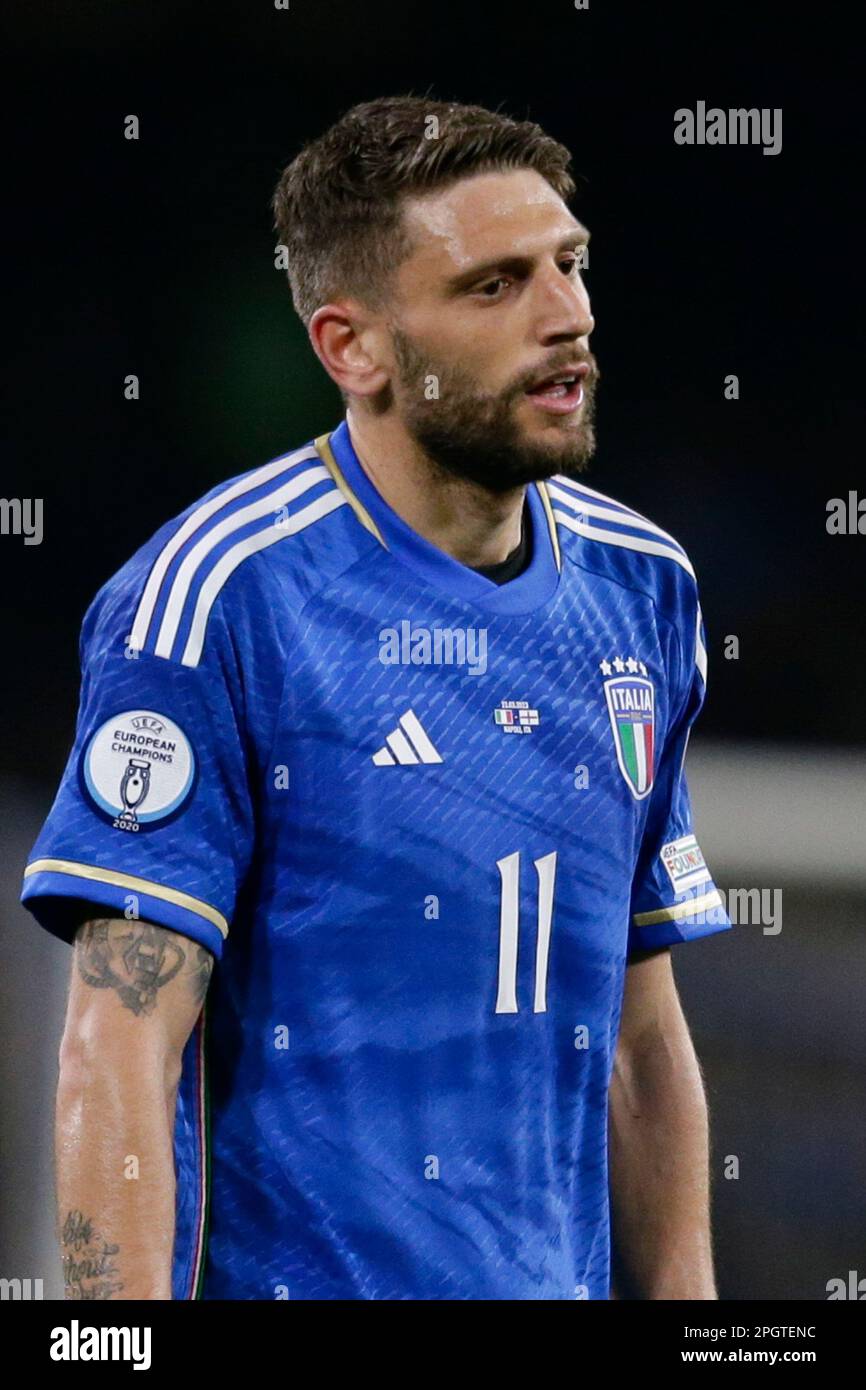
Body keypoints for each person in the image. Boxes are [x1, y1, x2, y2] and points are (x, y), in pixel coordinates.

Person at [21, 95, 731, 1300]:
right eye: (494, 286)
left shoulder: (642, 588)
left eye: (570, 264)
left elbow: (636, 1036)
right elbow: (120, 1041)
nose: (569, 317)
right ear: (352, 348)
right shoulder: (215, 599)